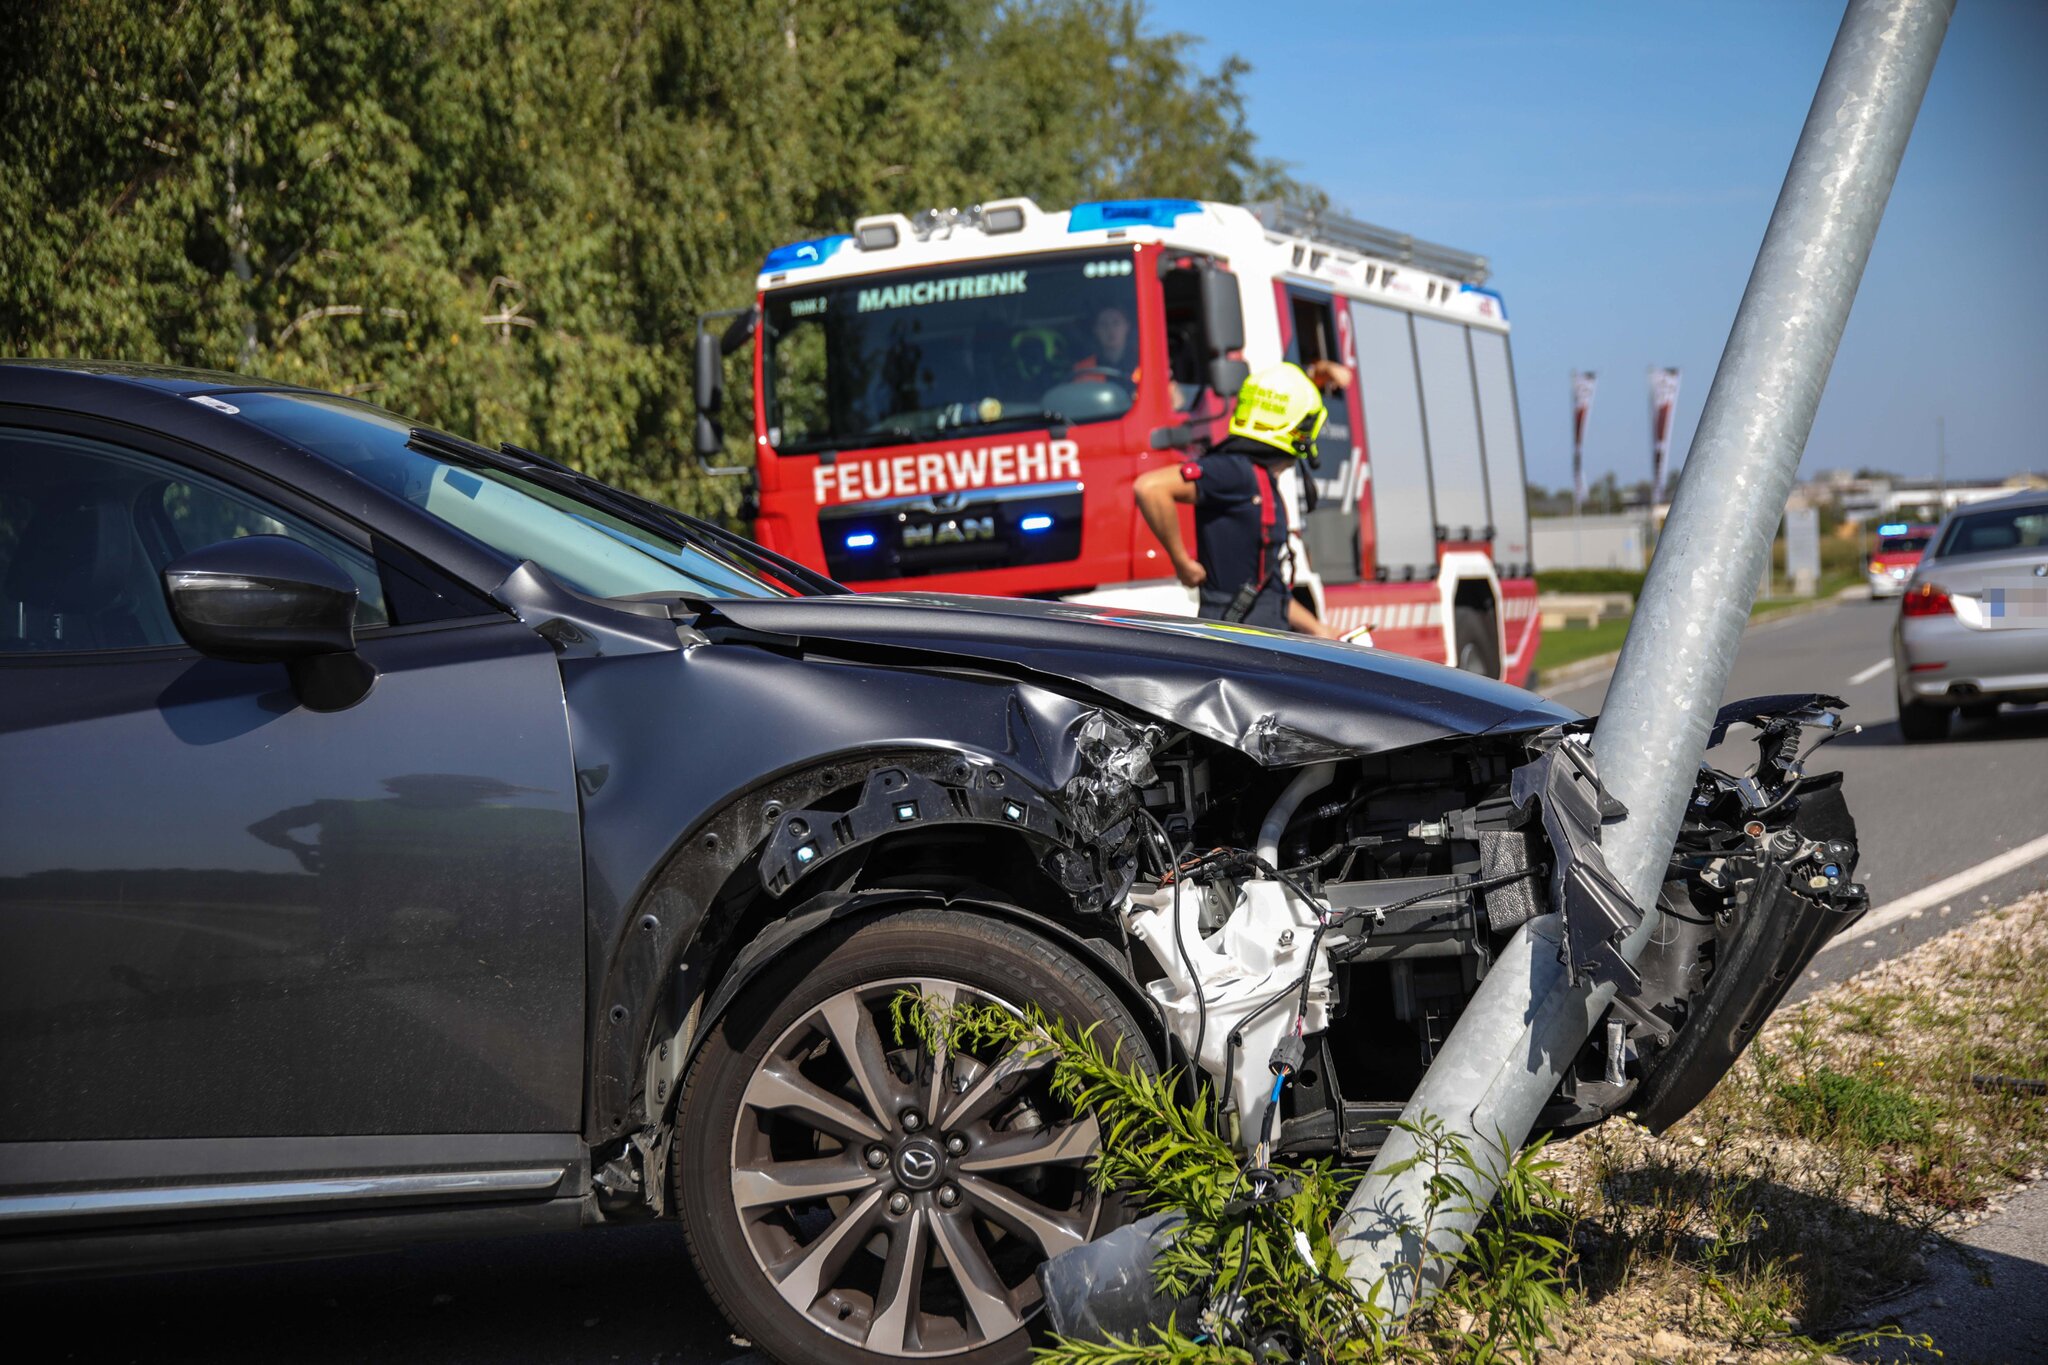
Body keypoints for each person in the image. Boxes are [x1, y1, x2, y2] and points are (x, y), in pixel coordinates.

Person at [1133, 362, 1341, 638]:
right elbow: (1150, 488)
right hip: (1238, 650)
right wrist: (1183, 563)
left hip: (1263, 644)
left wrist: (1317, 628)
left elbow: (1265, 589)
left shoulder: (1258, 478)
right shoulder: (1235, 471)